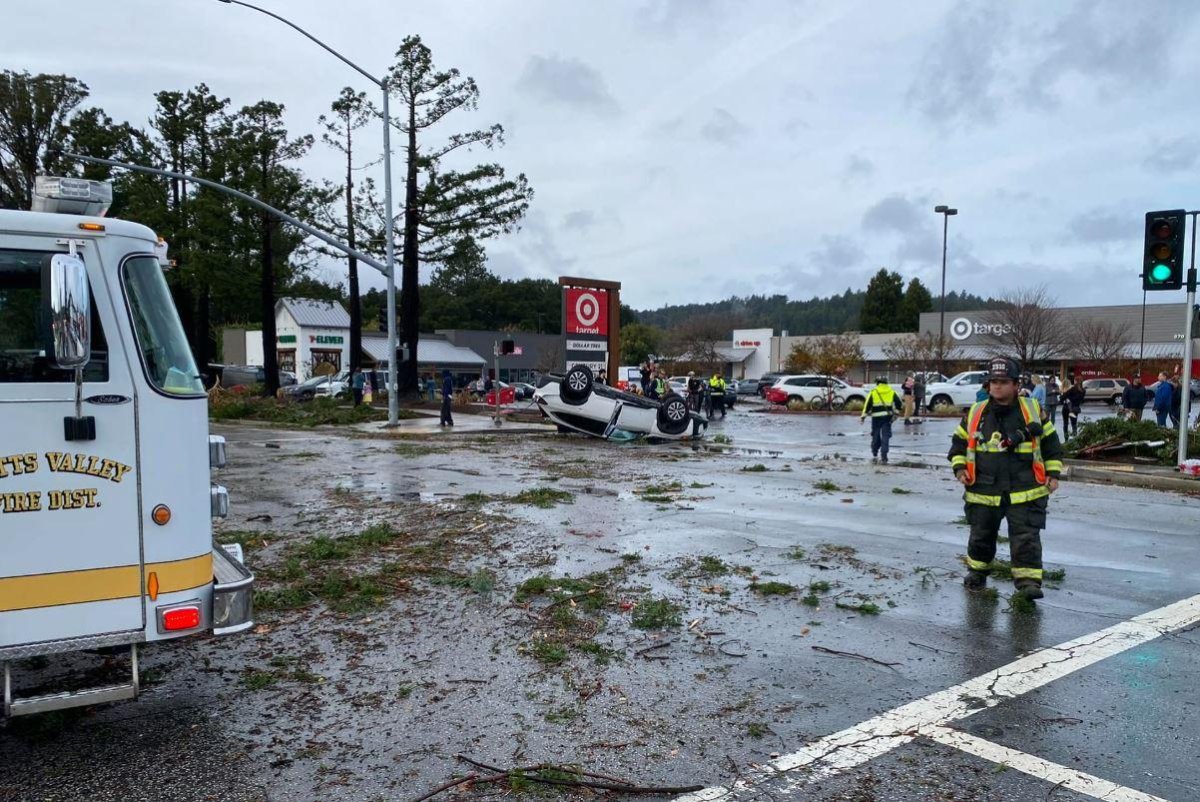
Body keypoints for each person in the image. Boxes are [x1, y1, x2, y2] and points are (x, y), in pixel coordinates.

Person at [949, 356, 1064, 602]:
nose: (997, 386)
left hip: (1026, 489)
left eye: (1003, 382)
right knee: (981, 535)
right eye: (993, 382)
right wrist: (959, 469)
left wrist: (1053, 474)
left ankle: (1028, 583)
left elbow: (1052, 445)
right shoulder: (976, 413)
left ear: (1015, 384)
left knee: (1026, 538)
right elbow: (958, 445)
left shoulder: (1032, 411)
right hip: (983, 489)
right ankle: (977, 573)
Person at [861, 376, 902, 464]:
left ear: (877, 383)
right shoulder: (891, 391)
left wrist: (863, 416)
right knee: (885, 435)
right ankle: (884, 455)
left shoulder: (873, 392)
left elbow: (867, 404)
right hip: (887, 417)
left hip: (876, 417)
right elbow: (899, 403)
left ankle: (875, 451)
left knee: (875, 434)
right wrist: (897, 412)